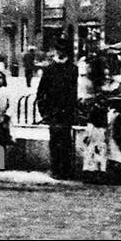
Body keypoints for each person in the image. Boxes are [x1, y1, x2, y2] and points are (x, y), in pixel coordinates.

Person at [35, 46, 79, 180]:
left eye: (63, 50)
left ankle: (66, 170)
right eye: (58, 50)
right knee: (55, 140)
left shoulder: (73, 69)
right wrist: (44, 112)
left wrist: (74, 110)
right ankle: (56, 169)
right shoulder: (49, 69)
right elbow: (41, 92)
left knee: (66, 141)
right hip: (53, 112)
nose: (60, 52)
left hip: (67, 111)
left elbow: (74, 91)